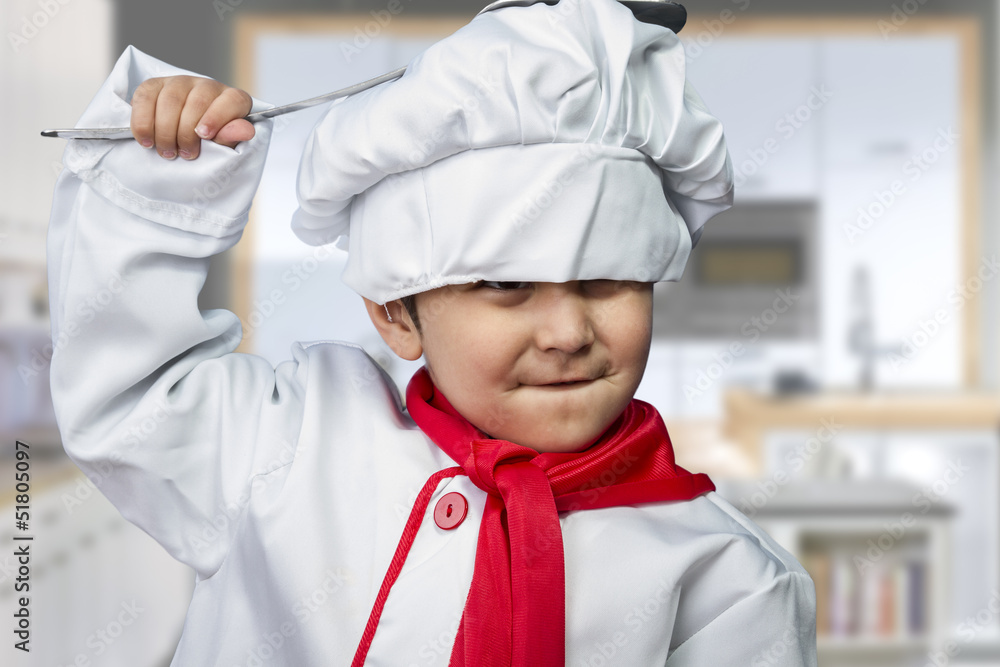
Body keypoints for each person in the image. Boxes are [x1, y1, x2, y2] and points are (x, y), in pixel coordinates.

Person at [46, 0, 817, 664]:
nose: (566, 330)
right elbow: (130, 394)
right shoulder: (290, 442)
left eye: (607, 278)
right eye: (505, 284)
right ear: (395, 311)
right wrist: (161, 180)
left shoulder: (731, 583)